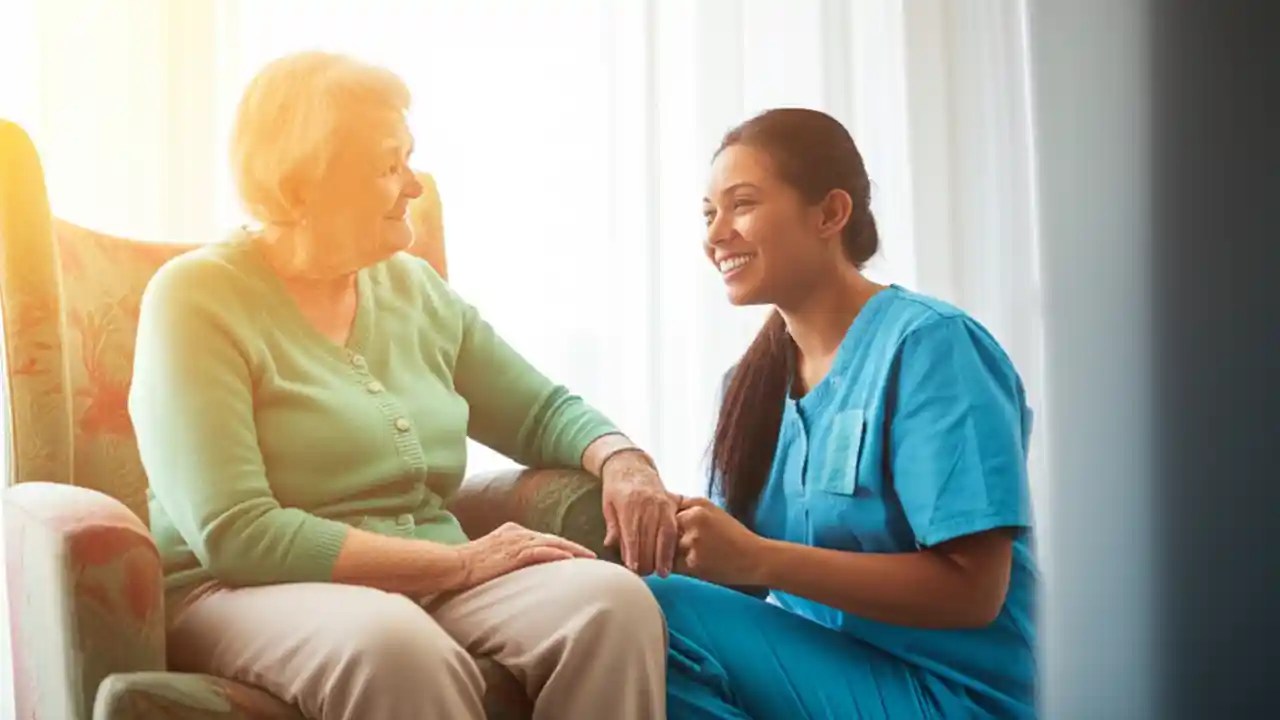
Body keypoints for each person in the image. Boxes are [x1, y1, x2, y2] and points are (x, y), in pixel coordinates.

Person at [128, 51, 678, 720]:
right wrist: (458, 566)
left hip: (429, 573)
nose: (414, 186)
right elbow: (237, 535)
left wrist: (621, 458)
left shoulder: (411, 288)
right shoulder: (196, 298)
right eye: (389, 167)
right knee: (398, 648)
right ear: (302, 183)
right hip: (245, 592)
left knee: (611, 605)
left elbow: (538, 411)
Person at [646, 108, 1038, 719]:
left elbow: (974, 592)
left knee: (658, 612)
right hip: (837, 679)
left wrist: (759, 557)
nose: (716, 233)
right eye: (707, 214)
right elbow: (731, 577)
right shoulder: (746, 389)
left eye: (741, 204)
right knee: (619, 615)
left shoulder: (932, 347)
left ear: (830, 214)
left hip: (962, 697)